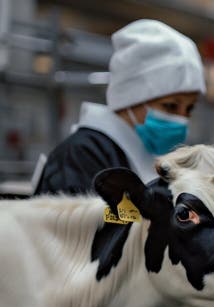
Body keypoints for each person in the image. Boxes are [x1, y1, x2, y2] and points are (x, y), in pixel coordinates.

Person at [34, 19, 205, 195]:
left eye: (189, 109)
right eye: (171, 106)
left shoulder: (151, 157)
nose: (181, 119)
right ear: (131, 96)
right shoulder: (82, 156)